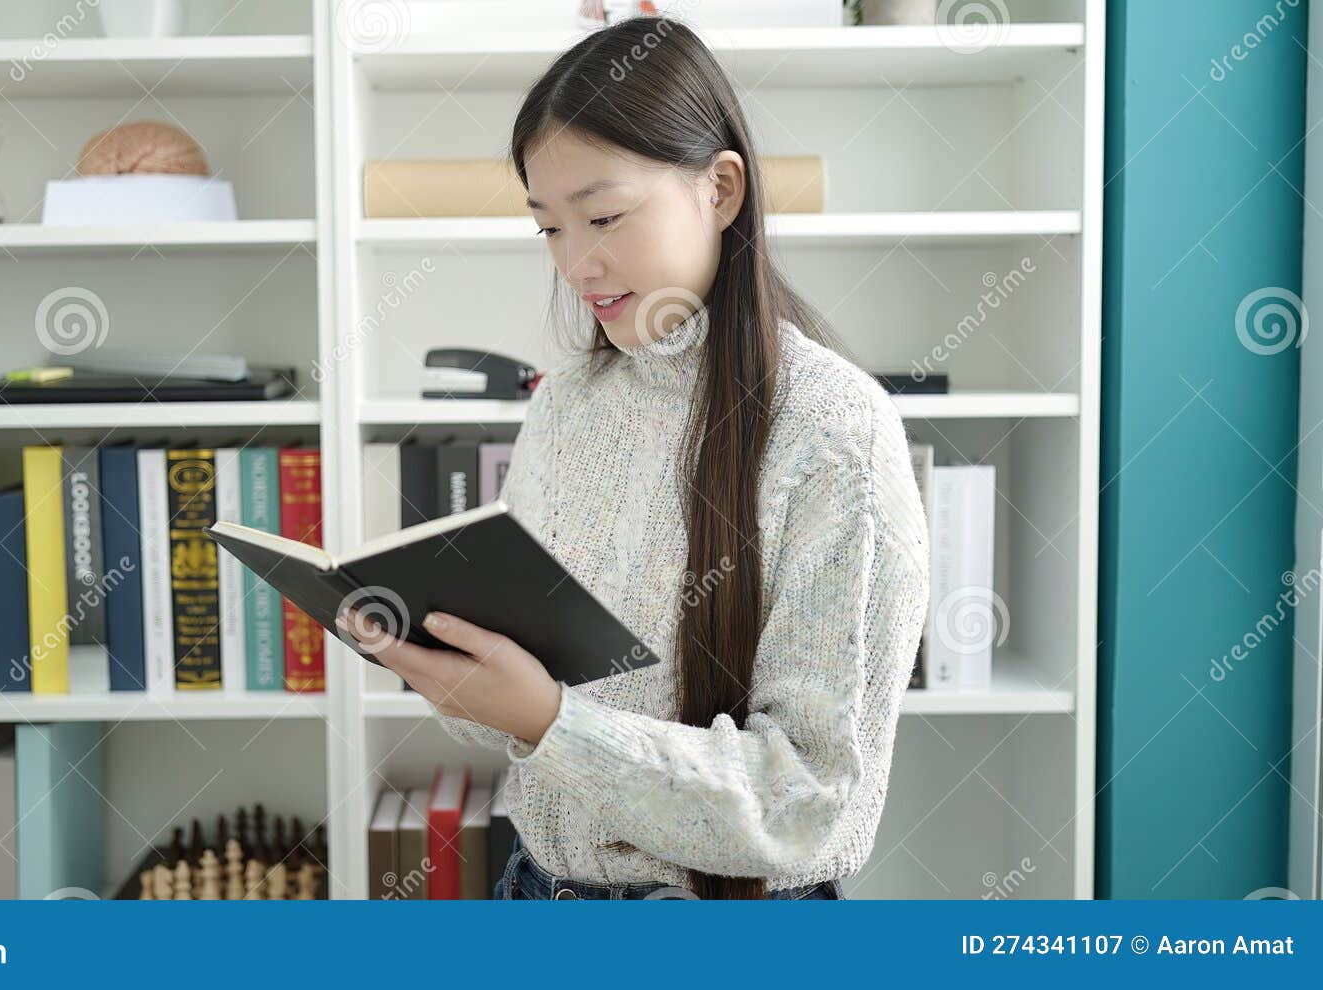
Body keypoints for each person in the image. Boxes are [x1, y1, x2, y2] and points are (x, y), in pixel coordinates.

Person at [338, 15, 929, 901]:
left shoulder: (837, 434)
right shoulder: (568, 404)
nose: (577, 262)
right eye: (547, 227)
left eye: (605, 215)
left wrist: (547, 719)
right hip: (535, 892)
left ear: (721, 190)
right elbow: (536, 701)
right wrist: (444, 662)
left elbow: (809, 803)